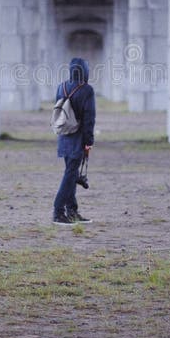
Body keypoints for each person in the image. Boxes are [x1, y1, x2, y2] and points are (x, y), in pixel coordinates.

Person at [53, 56, 96, 225]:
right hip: (77, 138)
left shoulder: (61, 87)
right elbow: (89, 119)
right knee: (70, 175)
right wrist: (88, 141)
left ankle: (72, 211)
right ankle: (58, 212)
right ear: (85, 71)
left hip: (63, 136)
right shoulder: (87, 90)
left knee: (71, 174)